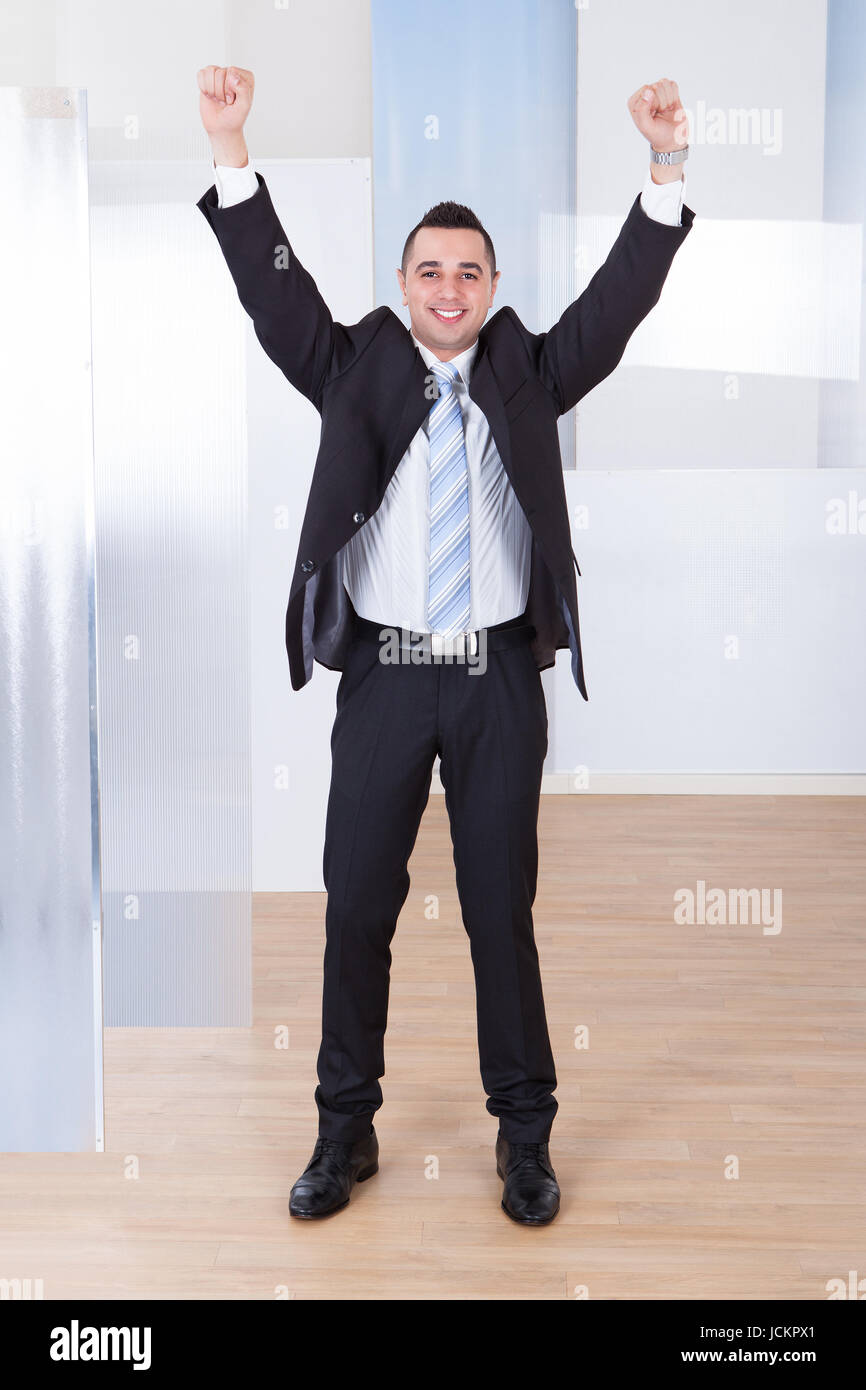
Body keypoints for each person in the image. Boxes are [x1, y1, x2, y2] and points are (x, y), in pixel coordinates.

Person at [196, 65, 694, 1224]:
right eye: (429, 269)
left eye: (468, 270)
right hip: (382, 679)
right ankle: (342, 1133)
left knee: (495, 910)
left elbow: (615, 303)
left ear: (491, 286)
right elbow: (277, 299)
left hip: (491, 685)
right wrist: (232, 149)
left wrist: (664, 171)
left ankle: (525, 1141)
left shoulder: (527, 368)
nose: (449, 286)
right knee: (355, 904)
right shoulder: (356, 361)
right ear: (404, 285)